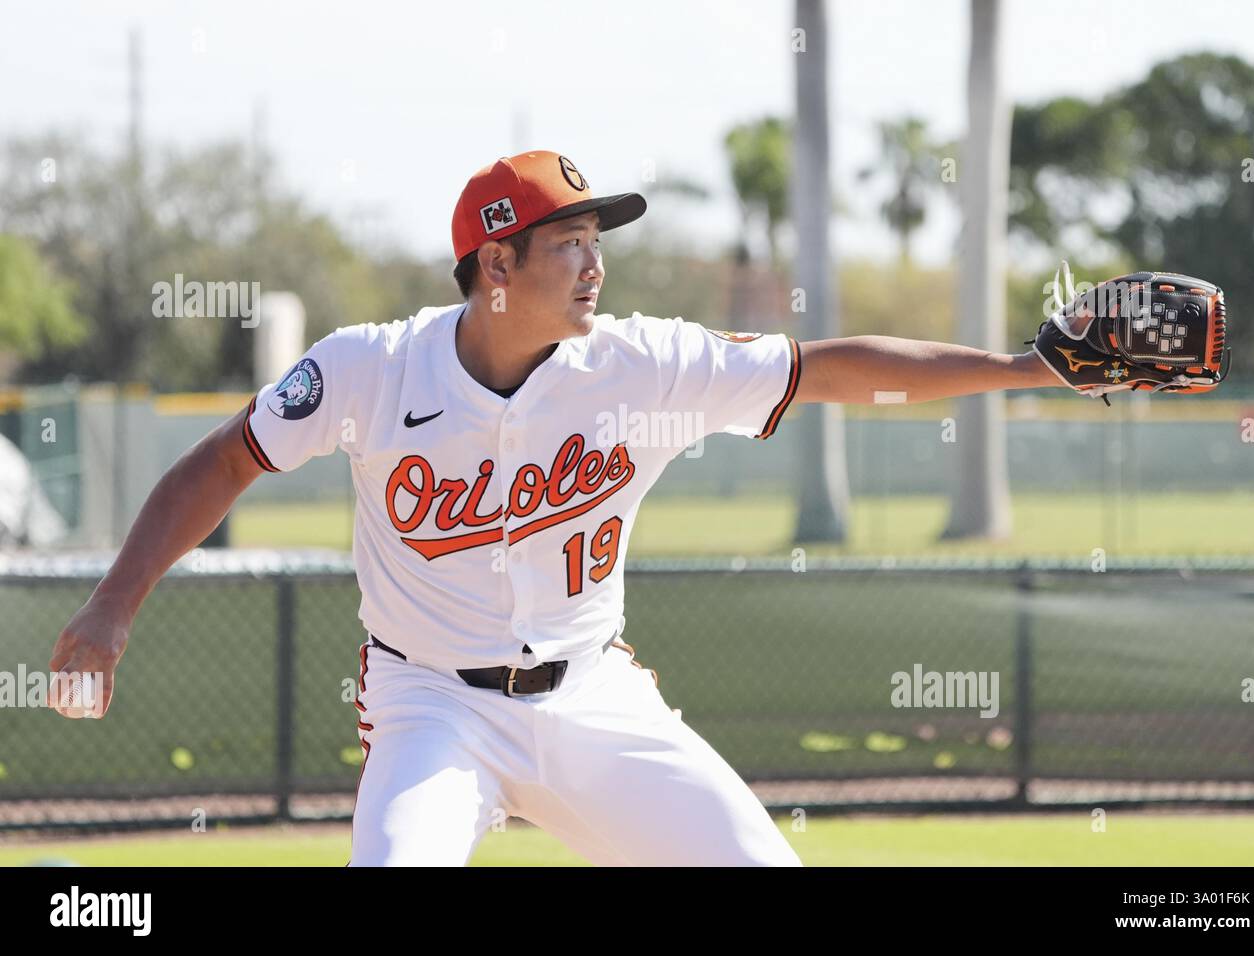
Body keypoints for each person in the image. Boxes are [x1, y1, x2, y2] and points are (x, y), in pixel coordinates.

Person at [49, 150, 1061, 866]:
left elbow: (827, 369)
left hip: (592, 696)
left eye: (595, 238)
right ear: (496, 264)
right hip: (432, 705)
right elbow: (224, 460)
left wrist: (1022, 368)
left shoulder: (641, 364)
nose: (595, 262)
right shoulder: (369, 368)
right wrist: (111, 604)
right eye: (568, 241)